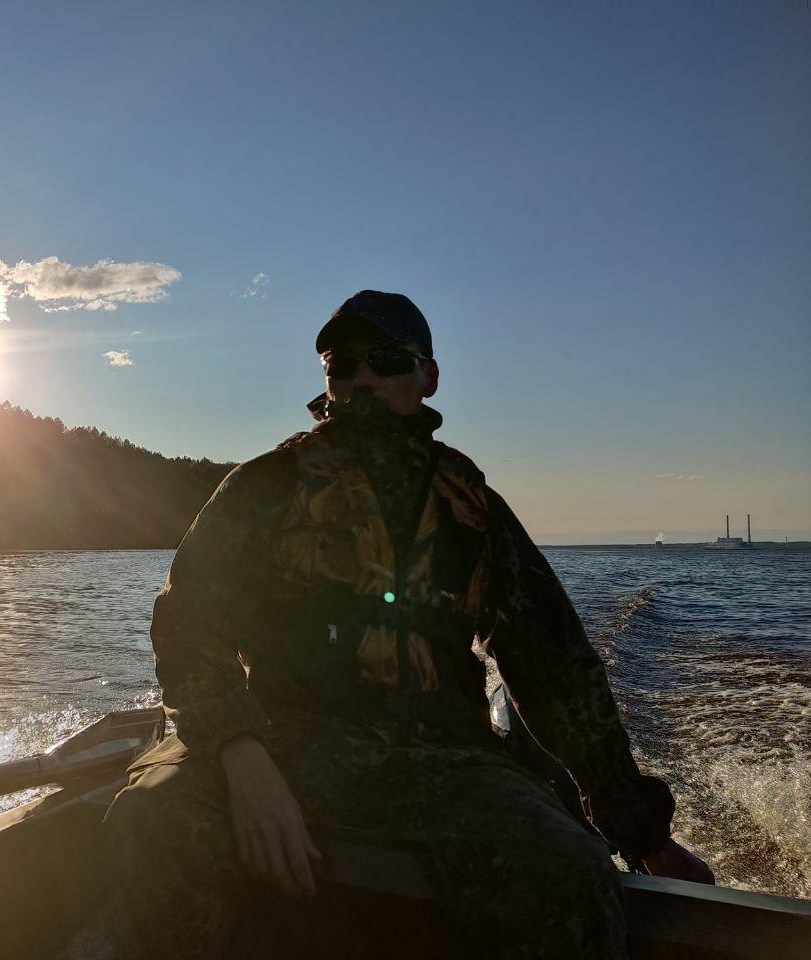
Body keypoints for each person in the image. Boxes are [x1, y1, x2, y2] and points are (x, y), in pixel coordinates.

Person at [101, 291, 714, 959]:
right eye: (342, 365)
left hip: (444, 760)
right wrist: (241, 754)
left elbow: (557, 669)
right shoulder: (264, 489)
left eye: (386, 360)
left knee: (570, 873)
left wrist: (643, 834)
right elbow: (189, 625)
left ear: (428, 376)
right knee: (154, 818)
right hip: (284, 743)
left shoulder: (473, 510)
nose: (361, 378)